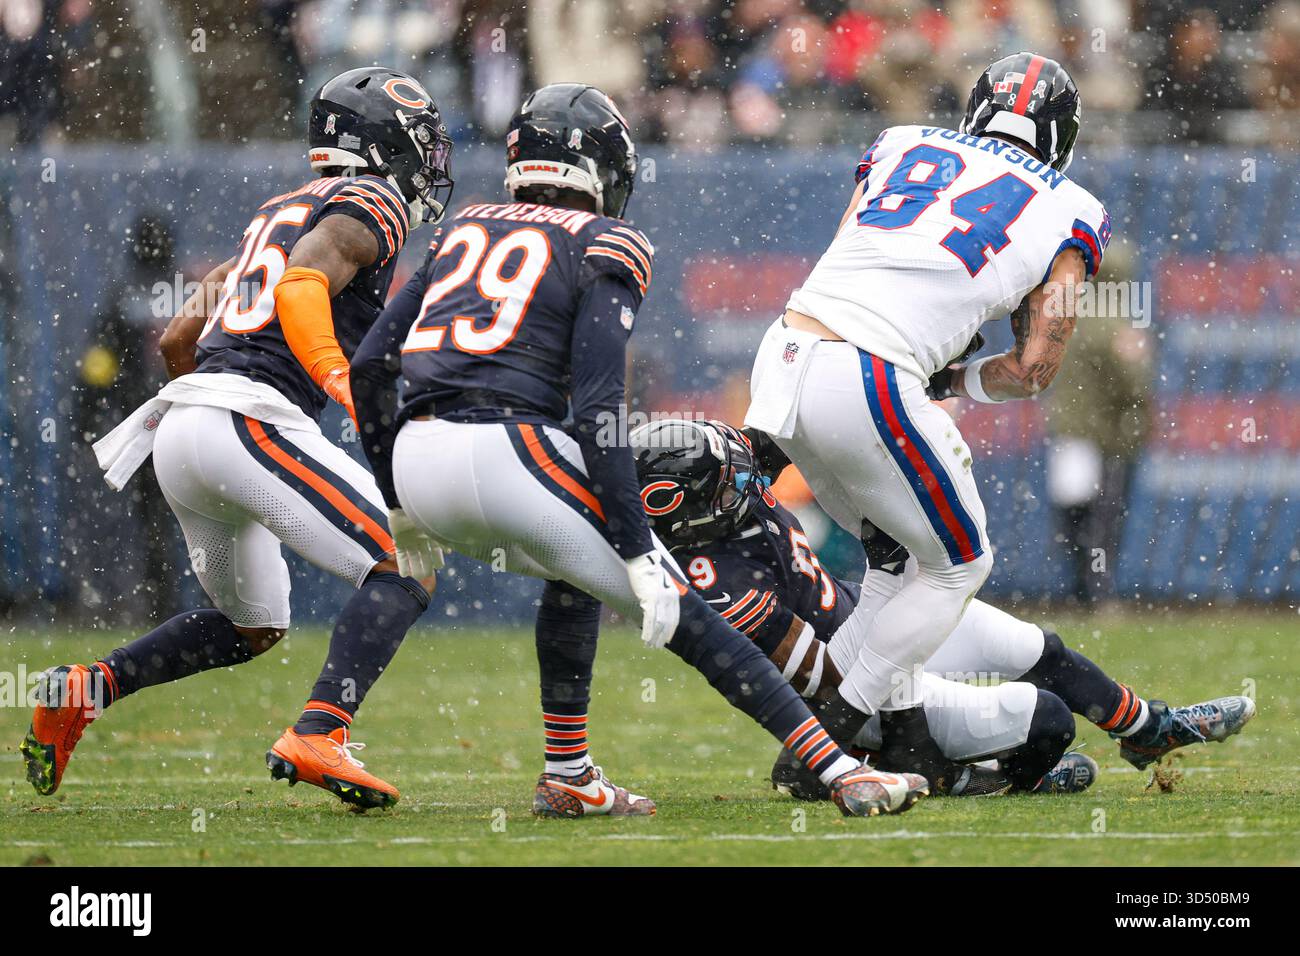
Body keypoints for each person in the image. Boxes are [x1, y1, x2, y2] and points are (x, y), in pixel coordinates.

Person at [351, 83, 928, 819]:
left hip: (417, 458)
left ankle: (570, 774)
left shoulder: (464, 226)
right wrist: (636, 546)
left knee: (571, 581)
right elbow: (599, 412)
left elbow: (372, 366)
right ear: (598, 168)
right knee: (689, 615)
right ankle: (843, 770)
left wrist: (397, 504)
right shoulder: (604, 241)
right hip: (509, 452)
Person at [22, 67, 454, 811]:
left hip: (188, 424)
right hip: (243, 417)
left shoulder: (278, 210)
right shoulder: (370, 200)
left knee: (252, 624)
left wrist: (206, 410)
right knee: (407, 561)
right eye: (417, 143)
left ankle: (91, 686)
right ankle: (322, 730)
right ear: (380, 141)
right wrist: (333, 376)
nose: (425, 163)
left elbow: (180, 335)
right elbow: (302, 284)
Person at [744, 53, 1111, 793]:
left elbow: (846, 251)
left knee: (898, 562)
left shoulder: (903, 141)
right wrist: (958, 379)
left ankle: (907, 747)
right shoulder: (1074, 207)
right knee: (960, 564)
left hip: (784, 350)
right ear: (1060, 135)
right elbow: (1036, 364)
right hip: (871, 374)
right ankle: (824, 742)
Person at [631, 418, 1257, 799]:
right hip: (858, 691)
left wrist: (919, 377)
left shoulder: (710, 504)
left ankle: (1145, 729)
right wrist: (902, 718)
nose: (749, 480)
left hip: (866, 624)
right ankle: (958, 775)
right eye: (731, 481)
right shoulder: (718, 583)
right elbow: (827, 681)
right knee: (1045, 721)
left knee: (1033, 648)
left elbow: (787, 433)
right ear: (687, 506)